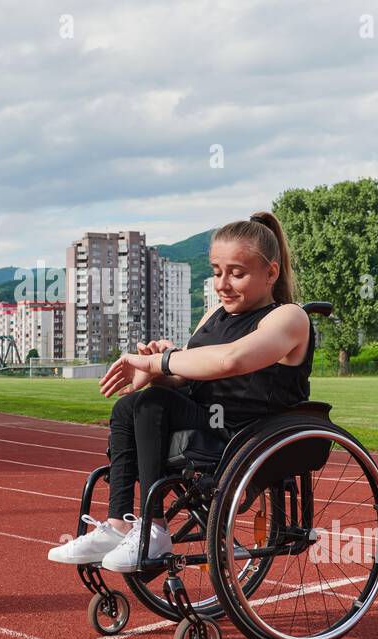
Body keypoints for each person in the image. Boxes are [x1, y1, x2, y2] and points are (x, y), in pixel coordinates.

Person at [48, 211, 315, 573]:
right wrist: (154, 373)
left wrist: (164, 362)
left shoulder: (289, 317)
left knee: (153, 403)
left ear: (271, 273)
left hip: (247, 433)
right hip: (207, 422)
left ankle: (155, 528)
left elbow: (230, 361)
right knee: (133, 405)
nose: (223, 283)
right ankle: (118, 524)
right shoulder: (212, 316)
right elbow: (189, 376)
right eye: (217, 271)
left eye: (237, 273)